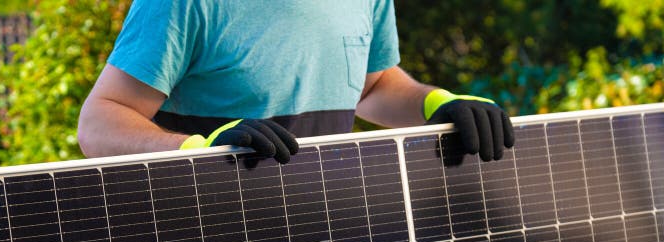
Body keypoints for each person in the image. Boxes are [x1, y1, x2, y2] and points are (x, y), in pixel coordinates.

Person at [78, 0, 514, 165]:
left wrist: (438, 104)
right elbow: (98, 123)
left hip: (323, 241)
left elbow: (372, 87)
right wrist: (197, 149)